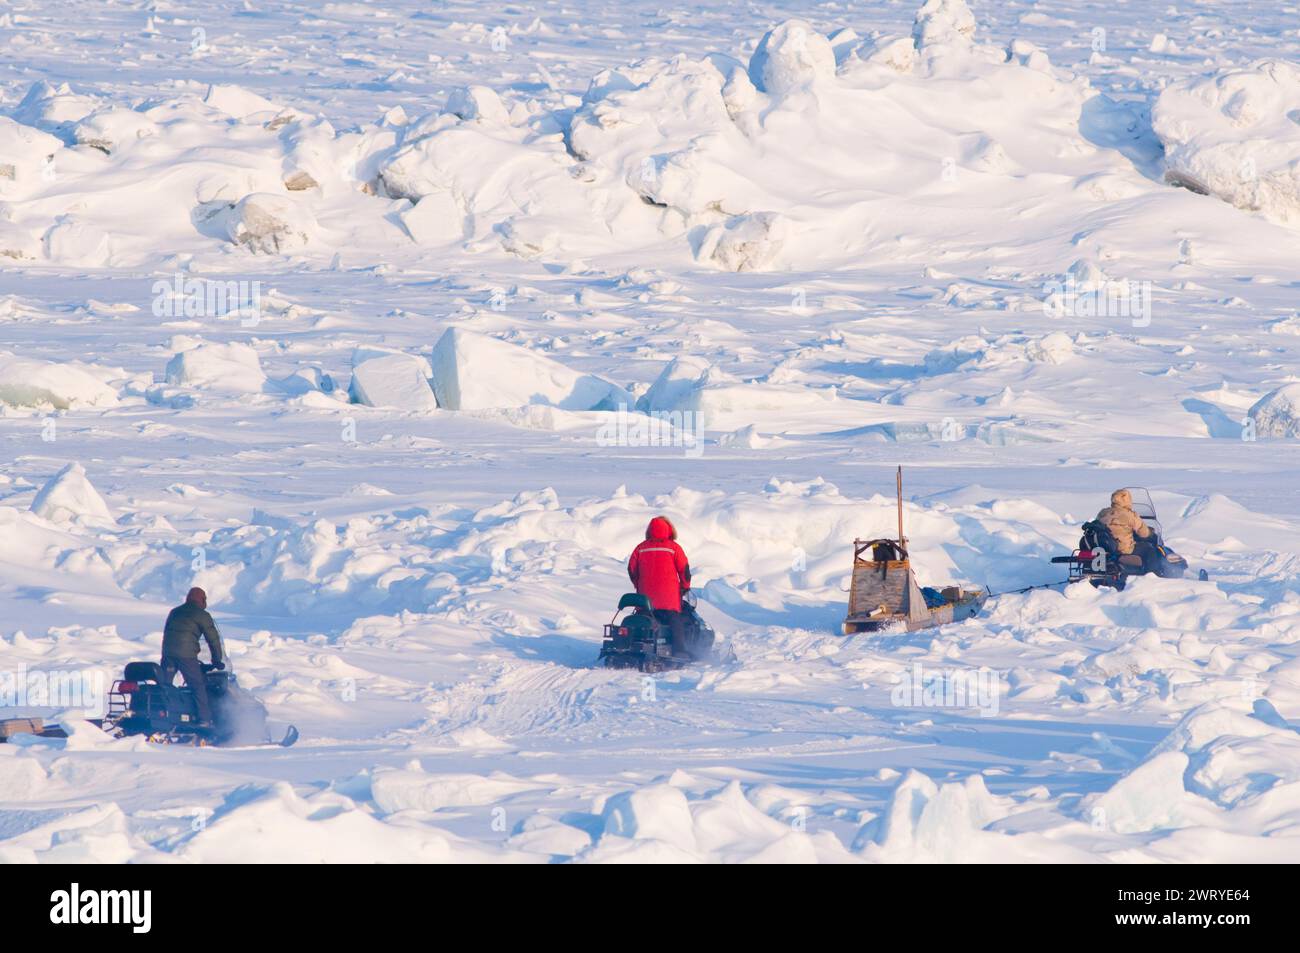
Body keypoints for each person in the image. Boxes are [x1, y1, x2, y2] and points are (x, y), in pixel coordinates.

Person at [628, 516, 692, 657]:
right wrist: (685, 586)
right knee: (676, 623)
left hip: (645, 599)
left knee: (643, 622)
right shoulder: (674, 548)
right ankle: (679, 650)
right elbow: (684, 570)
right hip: (668, 599)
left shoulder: (640, 548)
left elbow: (632, 569)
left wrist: (638, 584)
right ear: (669, 530)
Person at [161, 587, 225, 727]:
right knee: (197, 686)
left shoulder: (175, 611)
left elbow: (167, 632)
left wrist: (166, 654)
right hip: (187, 656)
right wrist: (217, 660)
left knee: (165, 686)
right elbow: (213, 639)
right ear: (202, 600)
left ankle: (164, 715)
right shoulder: (202, 615)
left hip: (168, 654)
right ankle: (205, 720)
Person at [1096, 489, 1157, 570]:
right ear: (1126, 500)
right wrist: (1150, 532)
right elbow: (1143, 533)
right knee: (1150, 549)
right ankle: (1150, 574)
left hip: (1104, 548)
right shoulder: (1130, 515)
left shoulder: (1103, 513)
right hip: (1124, 550)